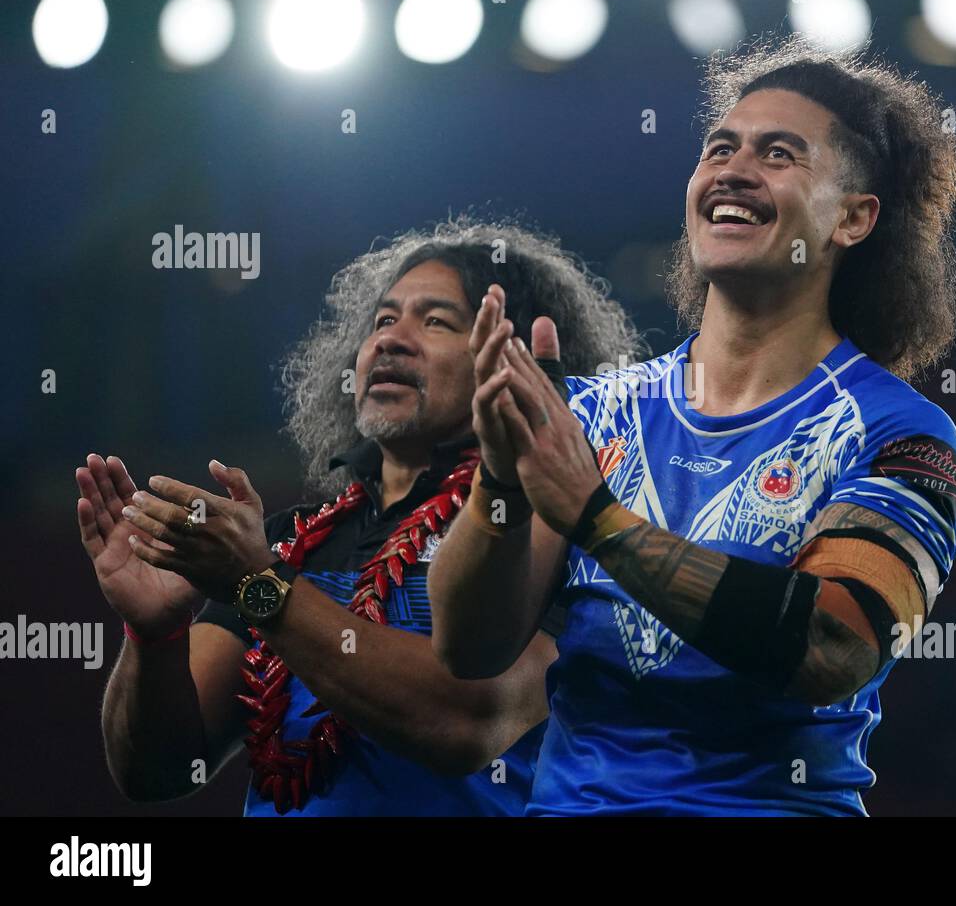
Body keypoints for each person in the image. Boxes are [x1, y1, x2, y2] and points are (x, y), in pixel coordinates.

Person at [429, 38, 956, 815]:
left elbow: (831, 646)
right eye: (720, 148)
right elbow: (468, 652)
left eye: (779, 154)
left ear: (852, 218)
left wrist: (597, 519)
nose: (733, 169)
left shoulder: (901, 435)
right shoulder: (594, 414)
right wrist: (502, 480)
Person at [78, 217, 642, 814]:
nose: (391, 341)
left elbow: (467, 720)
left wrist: (259, 585)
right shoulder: (286, 542)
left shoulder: (540, 521)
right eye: (383, 321)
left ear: (512, 362)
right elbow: (157, 771)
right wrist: (154, 636)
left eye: (436, 321)